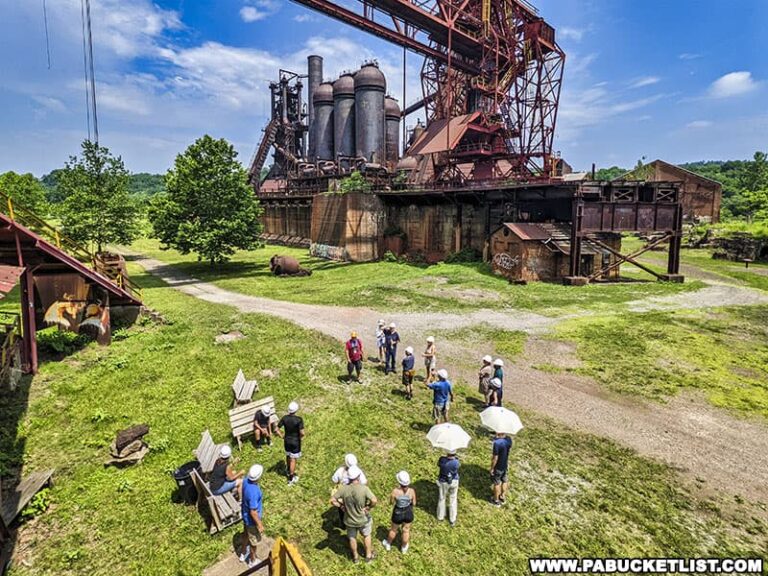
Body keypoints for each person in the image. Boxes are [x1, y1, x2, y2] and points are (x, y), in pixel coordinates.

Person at [330, 466, 377, 564]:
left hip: (349, 519)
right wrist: (368, 507)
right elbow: (374, 500)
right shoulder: (364, 489)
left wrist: (341, 506)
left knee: (352, 538)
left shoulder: (344, 489)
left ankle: (355, 558)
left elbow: (332, 500)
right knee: (366, 535)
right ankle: (368, 556)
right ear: (359, 476)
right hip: (363, 519)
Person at [381, 470, 416, 554]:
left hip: (398, 512)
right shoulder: (411, 491)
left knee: (393, 530)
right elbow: (414, 503)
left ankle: (388, 544)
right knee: (406, 530)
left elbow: (391, 502)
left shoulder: (395, 491)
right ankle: (404, 547)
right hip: (408, 512)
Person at [239, 464, 266, 569]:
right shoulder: (254, 492)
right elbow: (253, 512)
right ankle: (252, 560)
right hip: (251, 521)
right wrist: (259, 524)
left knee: (246, 534)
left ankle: (242, 553)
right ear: (258, 477)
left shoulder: (245, 480)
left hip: (245, 515)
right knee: (254, 541)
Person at [331, 453, 368, 526]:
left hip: (343, 496)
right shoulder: (358, 472)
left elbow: (334, 480)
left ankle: (344, 524)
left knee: (342, 510)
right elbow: (364, 482)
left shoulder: (341, 471)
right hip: (356, 495)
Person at [277, 401, 305, 485]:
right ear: (296, 410)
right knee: (293, 459)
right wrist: (300, 437)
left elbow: (276, 428)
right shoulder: (299, 420)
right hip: (295, 441)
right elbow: (302, 432)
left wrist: (281, 435)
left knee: (288, 455)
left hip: (287, 440)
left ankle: (288, 470)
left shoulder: (284, 418)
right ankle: (291, 478)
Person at [436, 451, 460, 527]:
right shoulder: (456, 462)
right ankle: (452, 519)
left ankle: (440, 516)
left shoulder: (442, 460)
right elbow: (457, 467)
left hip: (443, 482)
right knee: (453, 499)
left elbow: (438, 464)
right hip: (454, 481)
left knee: (442, 498)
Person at [490, 432, 513, 507]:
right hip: (505, 465)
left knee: (496, 483)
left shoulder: (497, 443)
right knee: (504, 480)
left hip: (498, 466)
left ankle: (496, 500)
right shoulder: (509, 439)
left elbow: (495, 458)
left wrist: (492, 468)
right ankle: (502, 497)